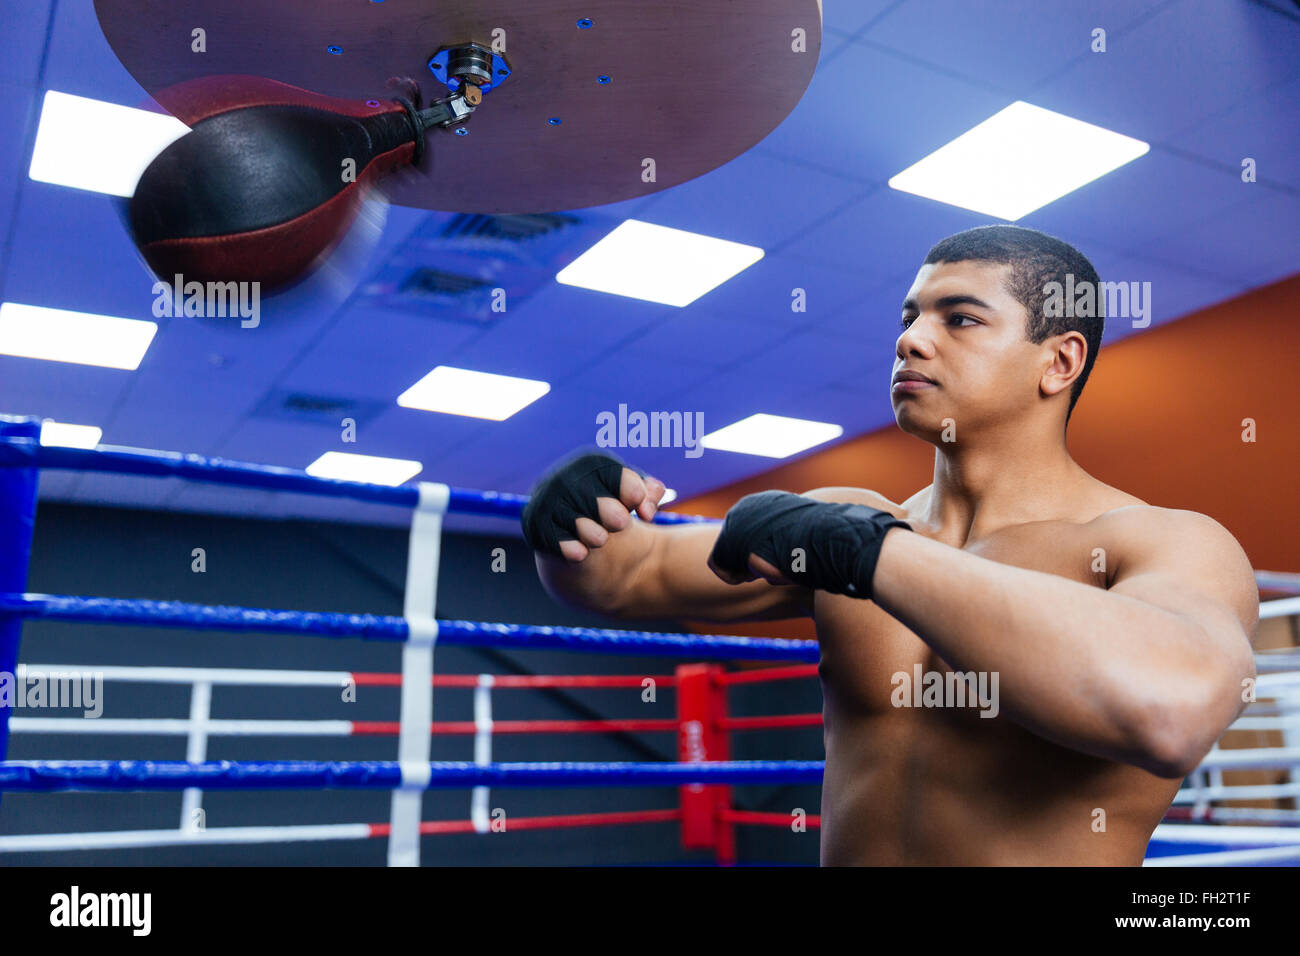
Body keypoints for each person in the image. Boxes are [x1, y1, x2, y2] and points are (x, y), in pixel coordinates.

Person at [520, 225, 1259, 865]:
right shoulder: (848, 520)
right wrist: (572, 513)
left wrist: (877, 555)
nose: (911, 338)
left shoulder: (1162, 541)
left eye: (960, 318)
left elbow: (1171, 711)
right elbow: (620, 576)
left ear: (1058, 362)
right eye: (910, 315)